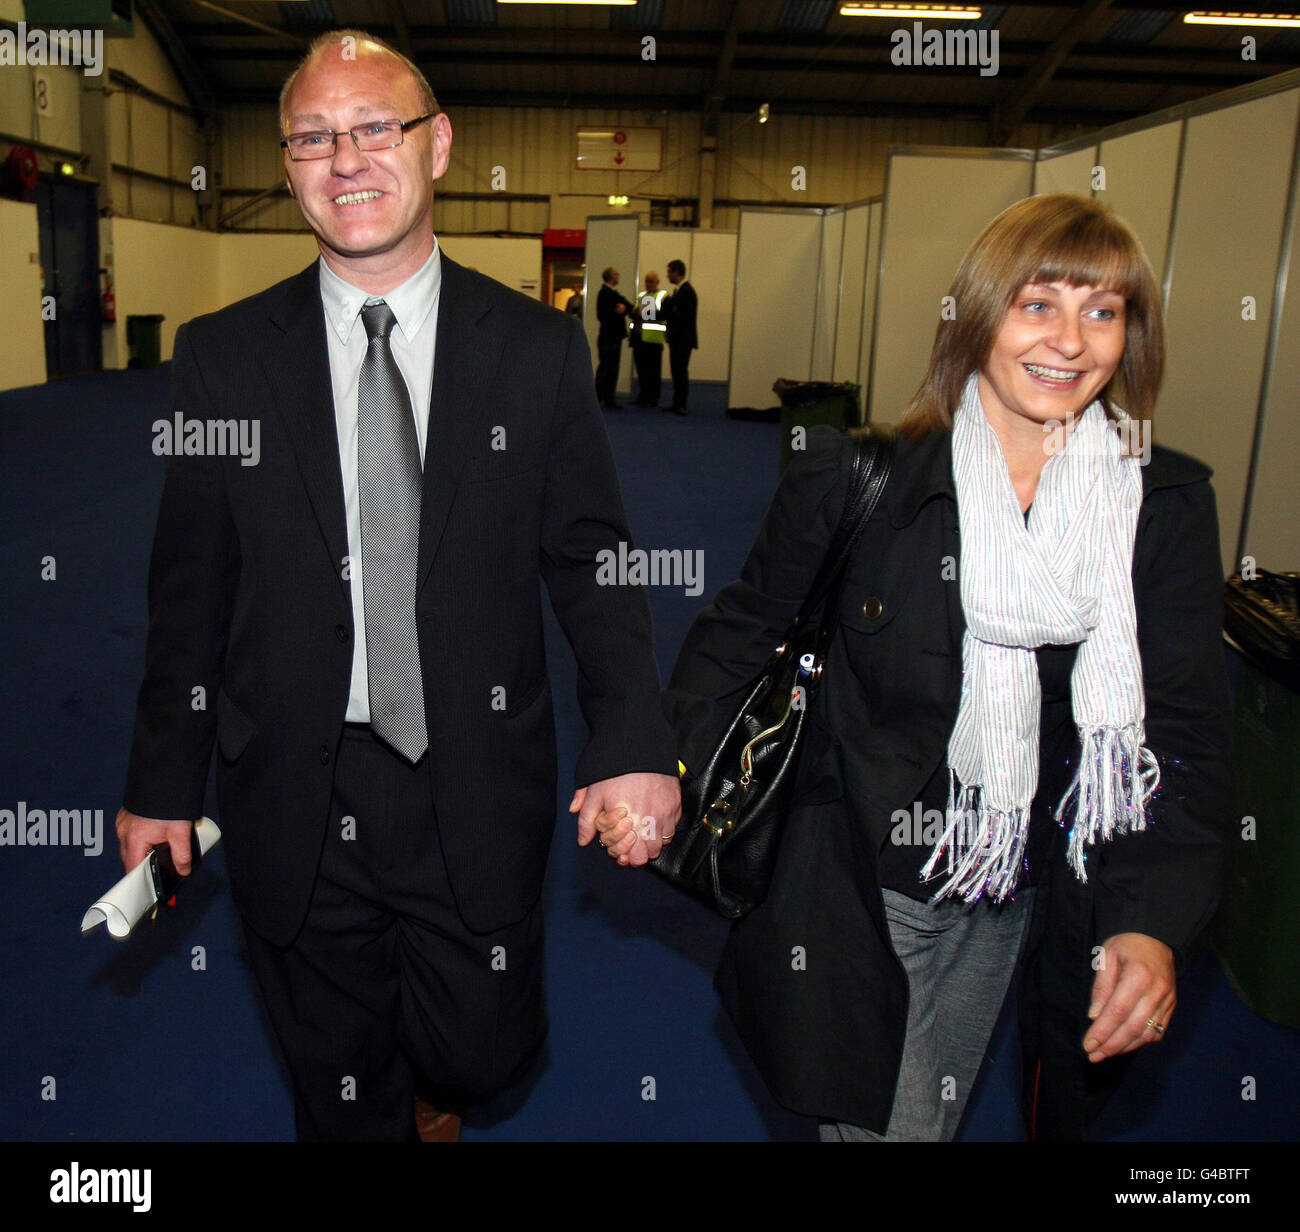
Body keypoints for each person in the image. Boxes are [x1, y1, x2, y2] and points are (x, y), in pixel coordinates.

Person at [115, 28, 680, 1143]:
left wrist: (631, 734)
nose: (348, 158)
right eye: (315, 137)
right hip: (289, 781)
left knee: (482, 1049)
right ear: (286, 166)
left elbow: (590, 558)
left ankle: (438, 1092)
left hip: (468, 768)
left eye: (377, 127)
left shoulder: (532, 348)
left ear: (440, 147)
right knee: (334, 1081)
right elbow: (190, 588)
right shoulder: (223, 355)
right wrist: (161, 778)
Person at [664, 194, 1232, 1141]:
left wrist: (1150, 920)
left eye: (1104, 311)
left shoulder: (1160, 503)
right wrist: (654, 765)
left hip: (1028, 894)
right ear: (978, 315)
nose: (1070, 339)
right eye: (1038, 304)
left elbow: (1180, 732)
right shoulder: (863, 475)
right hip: (864, 882)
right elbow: (745, 628)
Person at [595, 266, 633, 408]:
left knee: (610, 368)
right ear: (611, 277)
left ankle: (607, 397)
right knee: (606, 368)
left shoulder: (612, 294)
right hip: (609, 337)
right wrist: (619, 311)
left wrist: (623, 309)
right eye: (616, 274)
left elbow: (628, 306)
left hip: (611, 337)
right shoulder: (606, 294)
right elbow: (602, 316)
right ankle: (602, 398)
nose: (618, 277)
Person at [663, 258, 697, 415]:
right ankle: (677, 402)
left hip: (683, 339)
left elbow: (681, 316)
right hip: (677, 339)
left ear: (677, 272)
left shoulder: (687, 291)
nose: (667, 274)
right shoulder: (679, 291)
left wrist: (673, 311)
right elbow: (671, 311)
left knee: (680, 371)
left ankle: (681, 404)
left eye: (669, 271)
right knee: (677, 371)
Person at [630, 270, 667, 407]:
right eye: (647, 281)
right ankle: (643, 396)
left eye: (651, 281)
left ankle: (653, 398)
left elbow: (663, 314)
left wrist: (643, 313)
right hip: (639, 338)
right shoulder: (641, 295)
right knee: (641, 370)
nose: (649, 284)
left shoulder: (662, 296)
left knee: (653, 371)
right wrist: (633, 312)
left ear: (657, 282)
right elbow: (633, 313)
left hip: (653, 340)